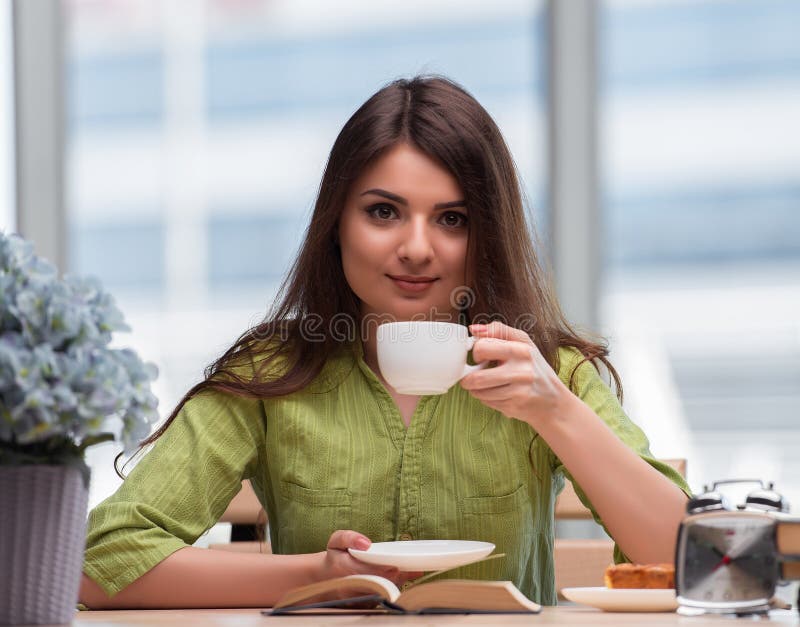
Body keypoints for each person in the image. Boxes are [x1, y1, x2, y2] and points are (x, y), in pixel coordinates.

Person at [79, 75, 690, 609]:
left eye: (452, 219)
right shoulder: (271, 374)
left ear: (487, 238)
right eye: (383, 212)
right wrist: (316, 577)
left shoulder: (545, 371)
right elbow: (96, 564)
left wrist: (556, 411)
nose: (418, 248)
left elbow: (695, 561)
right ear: (335, 225)